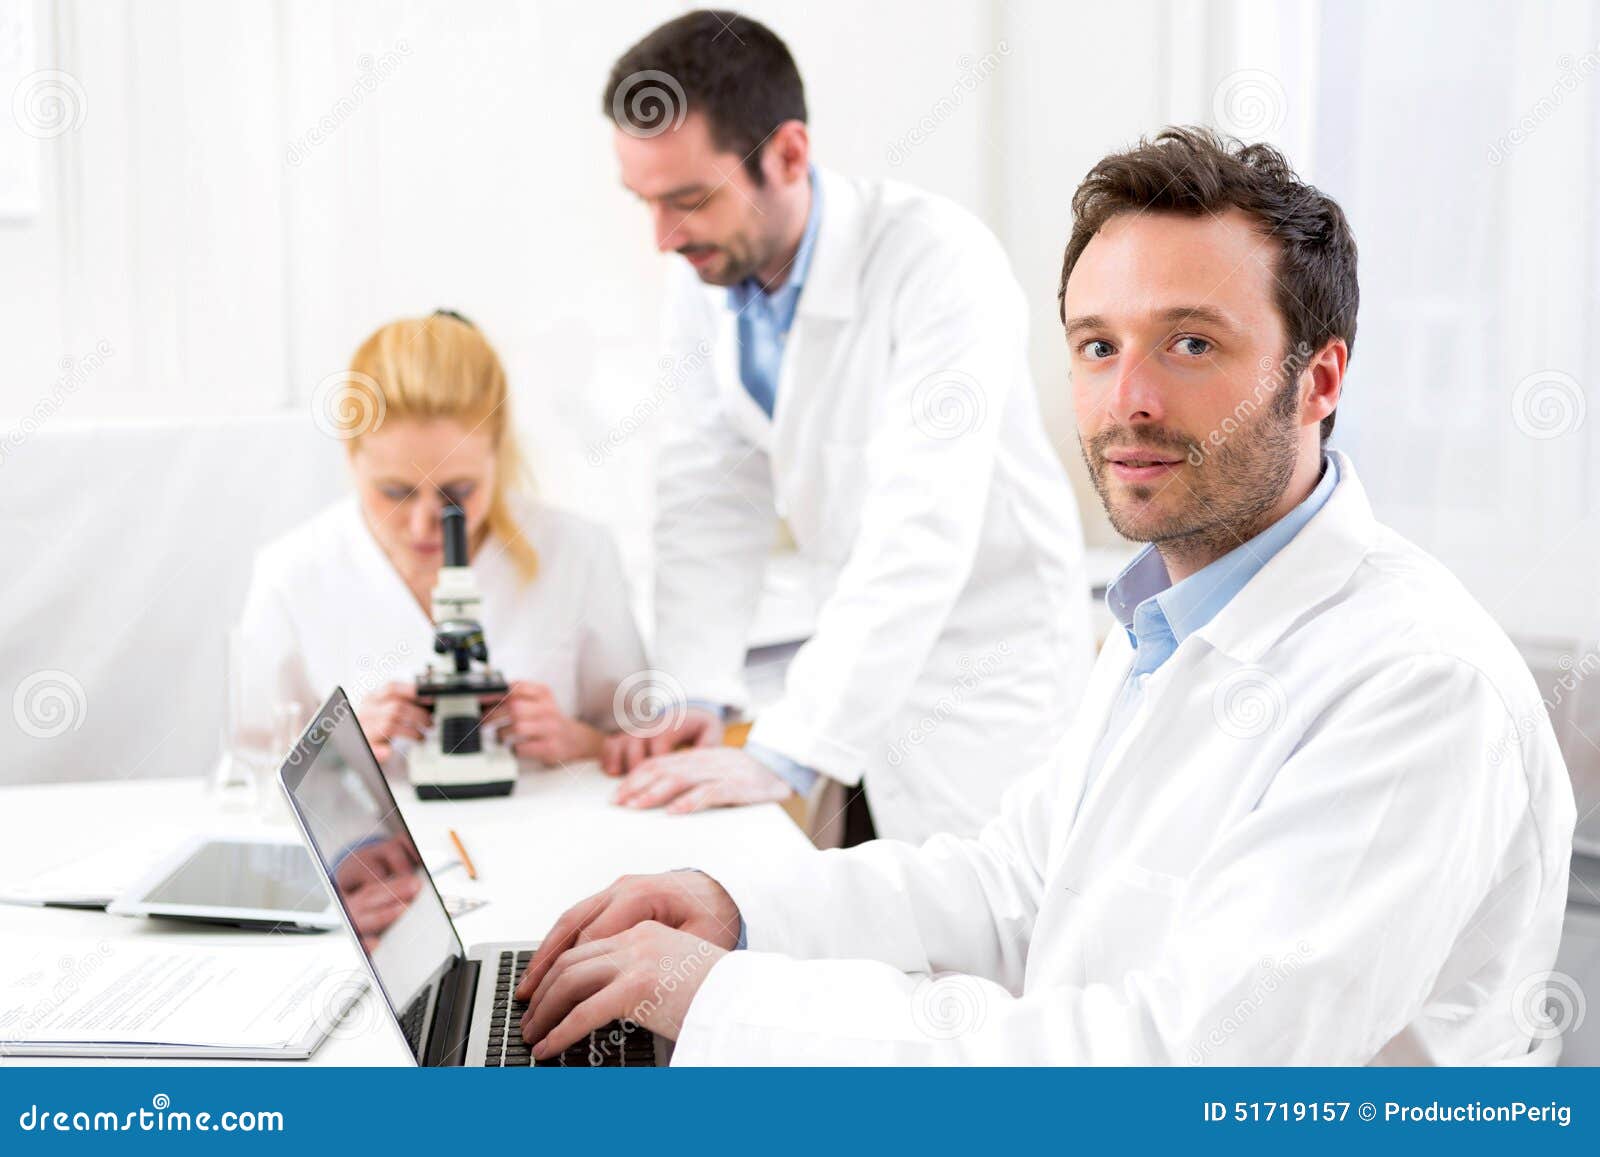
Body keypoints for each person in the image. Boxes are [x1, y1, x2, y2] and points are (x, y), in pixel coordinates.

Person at [507, 129, 1576, 1065]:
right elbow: (1014, 883)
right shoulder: (1166, 613)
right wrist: (739, 912)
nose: (1129, 400)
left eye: (1191, 343)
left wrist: (729, 1001)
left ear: (1320, 379)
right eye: (1097, 346)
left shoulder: (1417, 685)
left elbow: (1184, 1068)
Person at [599, 10, 1094, 844]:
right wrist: (696, 687)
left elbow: (921, 524)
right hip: (852, 672)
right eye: (645, 202)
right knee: (861, 905)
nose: (663, 237)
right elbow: (708, 493)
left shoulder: (939, 261)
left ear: (788, 155)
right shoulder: (706, 273)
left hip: (980, 686)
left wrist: (787, 749)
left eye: (686, 199)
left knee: (981, 914)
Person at [237, 311, 646, 772]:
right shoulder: (292, 574)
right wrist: (332, 751)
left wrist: (579, 742)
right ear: (352, 456)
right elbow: (252, 770)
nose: (422, 526)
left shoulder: (578, 553)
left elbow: (640, 742)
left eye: (458, 493)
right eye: (395, 492)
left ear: (497, 455)